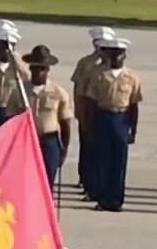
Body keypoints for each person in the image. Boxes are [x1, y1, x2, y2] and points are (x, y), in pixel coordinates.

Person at [85, 37, 141, 212]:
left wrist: (133, 129)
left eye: (119, 54)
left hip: (121, 118)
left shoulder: (131, 77)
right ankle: (103, 199)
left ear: (125, 56)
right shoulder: (99, 75)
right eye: (113, 54)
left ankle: (116, 199)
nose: (116, 57)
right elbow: (91, 102)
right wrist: (90, 125)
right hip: (103, 116)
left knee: (119, 161)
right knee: (103, 160)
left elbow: (134, 105)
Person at [10, 45, 73, 189]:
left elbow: (65, 124)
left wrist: (63, 150)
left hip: (49, 142)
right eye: (35, 68)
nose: (38, 72)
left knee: (46, 181)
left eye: (42, 68)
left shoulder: (58, 93)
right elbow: (11, 120)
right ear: (30, 68)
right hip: (26, 141)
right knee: (25, 181)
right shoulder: (20, 91)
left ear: (48, 69)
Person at [70, 27, 107, 197]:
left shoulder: (112, 64)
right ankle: (85, 178)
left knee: (101, 149)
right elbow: (78, 89)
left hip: (103, 108)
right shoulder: (85, 63)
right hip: (87, 107)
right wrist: (79, 111)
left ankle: (100, 181)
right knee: (87, 146)